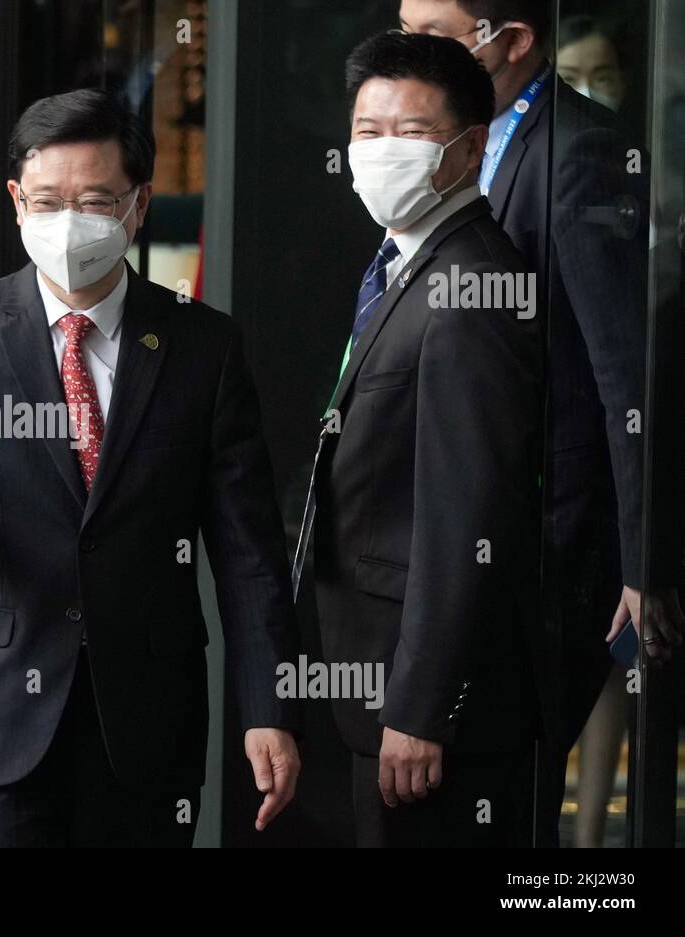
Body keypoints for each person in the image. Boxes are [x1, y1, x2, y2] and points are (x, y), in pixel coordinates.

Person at [0, 87, 301, 847]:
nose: (68, 223)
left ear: (138, 204)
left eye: (93, 200)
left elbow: (249, 553)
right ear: (16, 201)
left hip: (146, 726)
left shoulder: (202, 347)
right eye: (47, 200)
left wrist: (272, 706)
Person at [396, 0, 678, 847]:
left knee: (509, 795)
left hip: (545, 542)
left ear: (512, 41)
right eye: (402, 24)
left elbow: (623, 369)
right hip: (460, 524)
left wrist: (644, 557)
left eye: (433, 34)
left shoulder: (577, 152)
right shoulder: (453, 143)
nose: (406, 51)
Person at [309, 31, 544, 847]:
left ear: (471, 146)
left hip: (419, 716)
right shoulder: (409, 264)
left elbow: (468, 519)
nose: (381, 152)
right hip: (374, 687)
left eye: (410, 133)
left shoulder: (472, 286)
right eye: (367, 132)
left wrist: (421, 707)